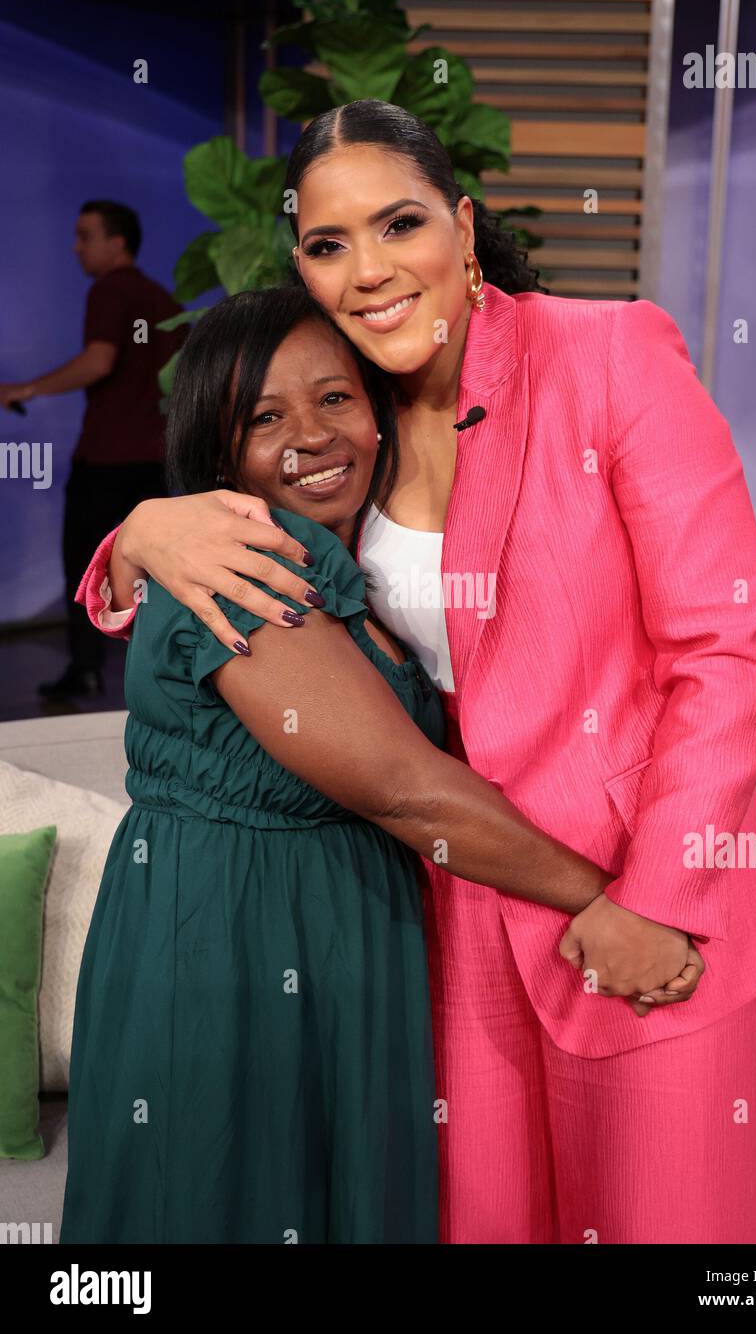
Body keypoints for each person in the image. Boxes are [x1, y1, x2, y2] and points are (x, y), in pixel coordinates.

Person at [75, 101, 756, 1245]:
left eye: (397, 224)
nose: (367, 271)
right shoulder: (346, 406)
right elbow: (233, 518)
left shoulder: (604, 355)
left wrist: (651, 903)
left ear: (460, 226)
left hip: (648, 900)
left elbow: (723, 650)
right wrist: (140, 533)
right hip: (449, 918)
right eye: (327, 244)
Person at [60, 281, 655, 1244]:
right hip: (231, 951)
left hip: (340, 939)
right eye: (264, 417)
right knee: (223, 1197)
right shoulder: (241, 563)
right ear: (221, 454)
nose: (311, 435)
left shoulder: (371, 567)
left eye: (335, 398)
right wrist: (606, 906)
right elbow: (405, 787)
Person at [0, 200, 187, 699]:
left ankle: (84, 669)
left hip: (106, 462)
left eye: (85, 236)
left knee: (87, 567)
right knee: (158, 573)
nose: (75, 246)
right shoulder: (162, 299)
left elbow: (99, 361)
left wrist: (25, 389)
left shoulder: (110, 290)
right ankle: (166, 679)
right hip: (156, 462)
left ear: (116, 241)